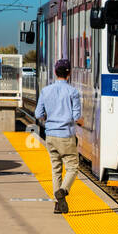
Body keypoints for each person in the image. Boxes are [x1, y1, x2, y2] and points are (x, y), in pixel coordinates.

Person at [34, 58, 83, 213]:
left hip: (50, 136)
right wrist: (82, 122)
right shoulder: (73, 92)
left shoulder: (45, 91)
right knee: (73, 168)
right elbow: (77, 117)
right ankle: (63, 191)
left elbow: (38, 114)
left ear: (55, 73)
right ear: (69, 74)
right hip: (66, 136)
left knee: (56, 169)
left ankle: (57, 204)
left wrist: (50, 119)